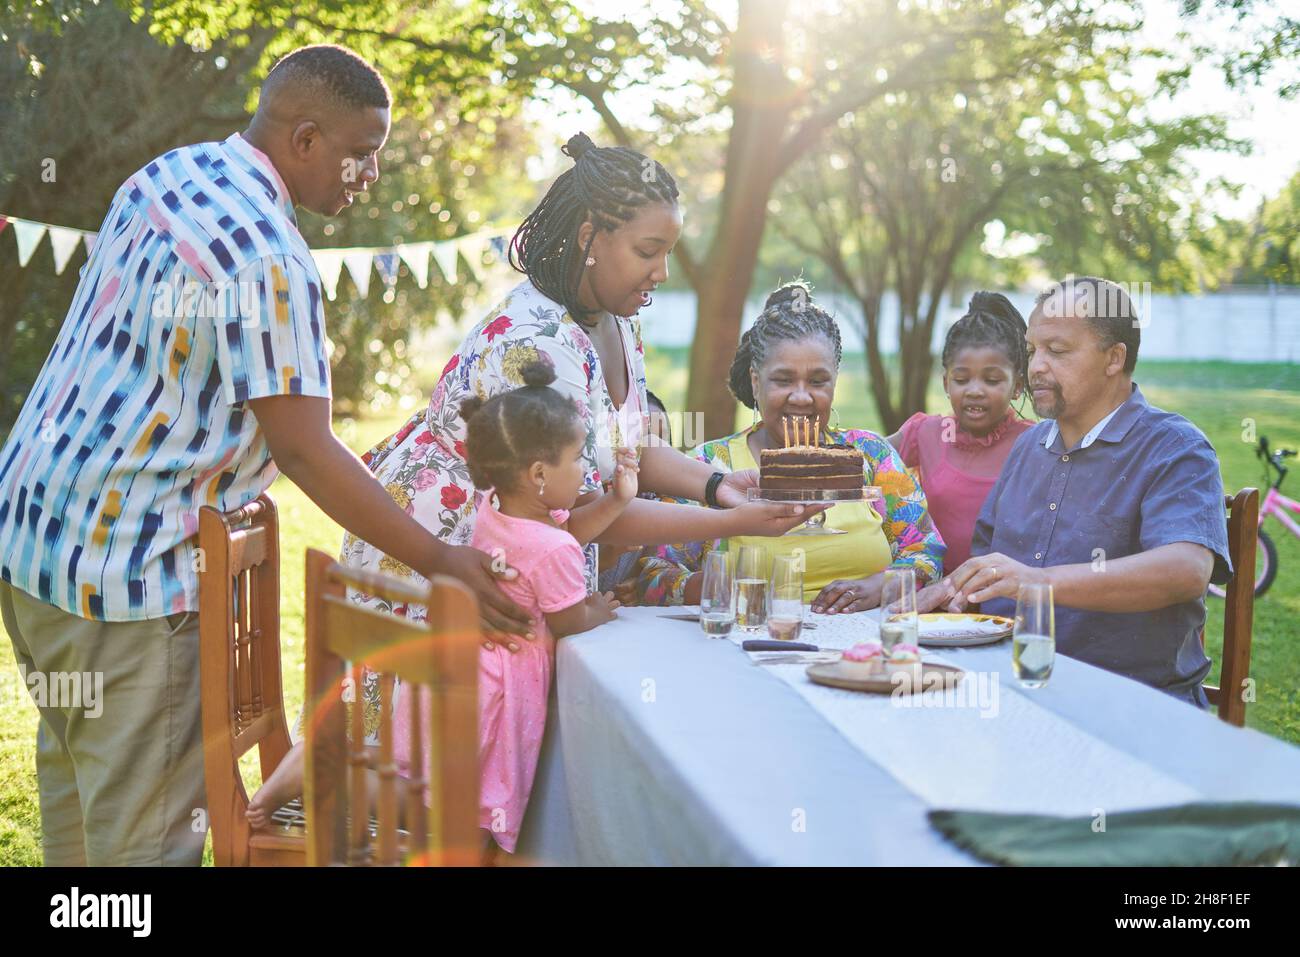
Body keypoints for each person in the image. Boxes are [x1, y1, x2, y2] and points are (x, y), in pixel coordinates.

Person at [0, 45, 530, 866]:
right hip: (130, 578)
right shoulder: (270, 257)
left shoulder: (169, 175)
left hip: (34, 548)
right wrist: (441, 558)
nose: (372, 175)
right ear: (306, 139)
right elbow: (305, 449)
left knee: (80, 826)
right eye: (362, 153)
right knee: (140, 855)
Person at [246, 133, 821, 824]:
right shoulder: (534, 344)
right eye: (648, 251)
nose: (663, 272)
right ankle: (337, 793)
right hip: (448, 556)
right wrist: (733, 521)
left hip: (520, 558)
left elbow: (624, 447)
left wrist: (717, 486)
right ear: (590, 237)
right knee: (429, 771)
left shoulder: (612, 317)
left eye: (668, 251)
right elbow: (585, 505)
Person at [924, 276, 1231, 707]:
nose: (1035, 367)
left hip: (1134, 709)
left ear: (1114, 358)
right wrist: (939, 595)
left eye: (1058, 351)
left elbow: (1185, 570)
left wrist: (1037, 582)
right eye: (1032, 351)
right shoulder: (1029, 446)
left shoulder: (1175, 447)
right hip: (1017, 691)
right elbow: (989, 569)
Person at [626, 281, 945, 611]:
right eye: (783, 380)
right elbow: (652, 577)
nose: (802, 397)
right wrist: (725, 587)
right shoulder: (711, 465)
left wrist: (880, 586)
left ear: (835, 381)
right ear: (755, 381)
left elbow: (927, 551)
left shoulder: (869, 455)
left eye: (818, 381)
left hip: (863, 648)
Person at [886, 292, 1036, 573]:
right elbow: (868, 456)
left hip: (1002, 603)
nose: (975, 390)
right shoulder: (927, 433)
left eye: (991, 380)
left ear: (1017, 385)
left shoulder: (1033, 443)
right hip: (933, 602)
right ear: (946, 382)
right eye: (961, 379)